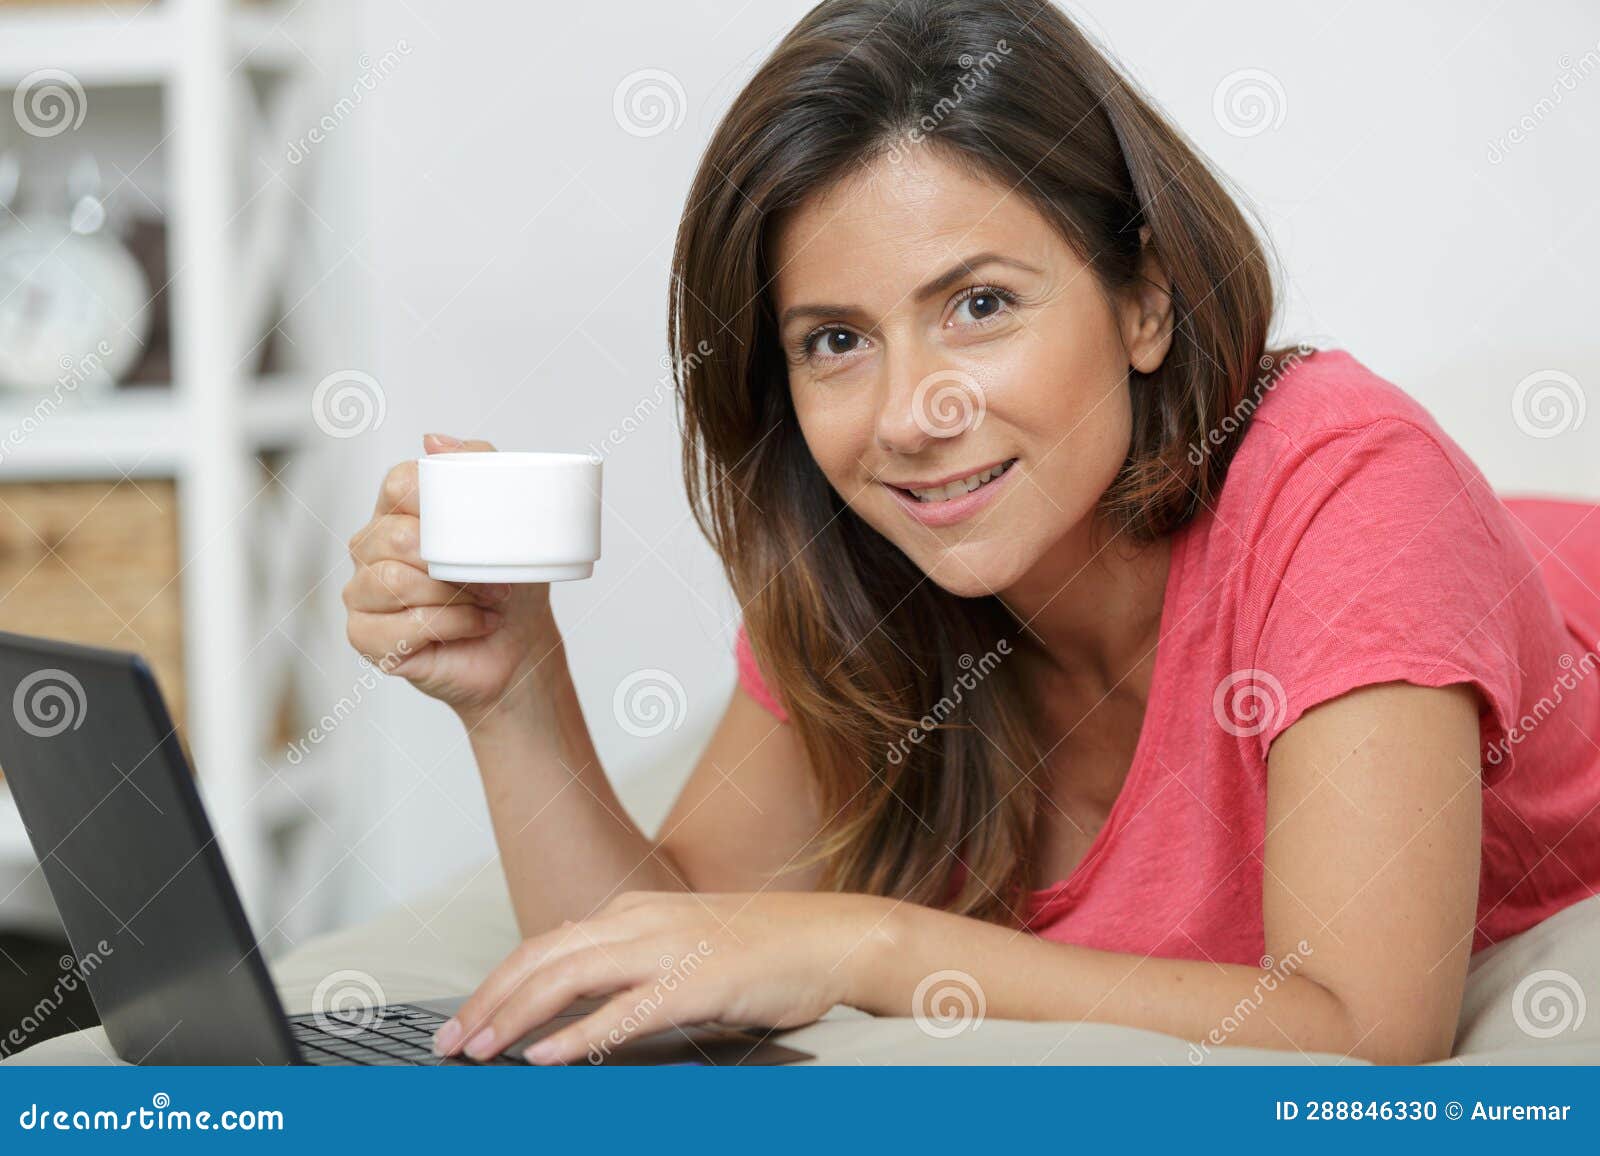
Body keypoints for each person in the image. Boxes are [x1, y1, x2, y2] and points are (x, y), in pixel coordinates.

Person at [341, 0, 1600, 1065]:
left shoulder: (1351, 483)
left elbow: (1366, 1032)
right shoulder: (875, 565)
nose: (909, 416)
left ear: (1145, 299)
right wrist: (514, 693)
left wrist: (868, 944)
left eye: (980, 304)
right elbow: (653, 968)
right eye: (834, 340)